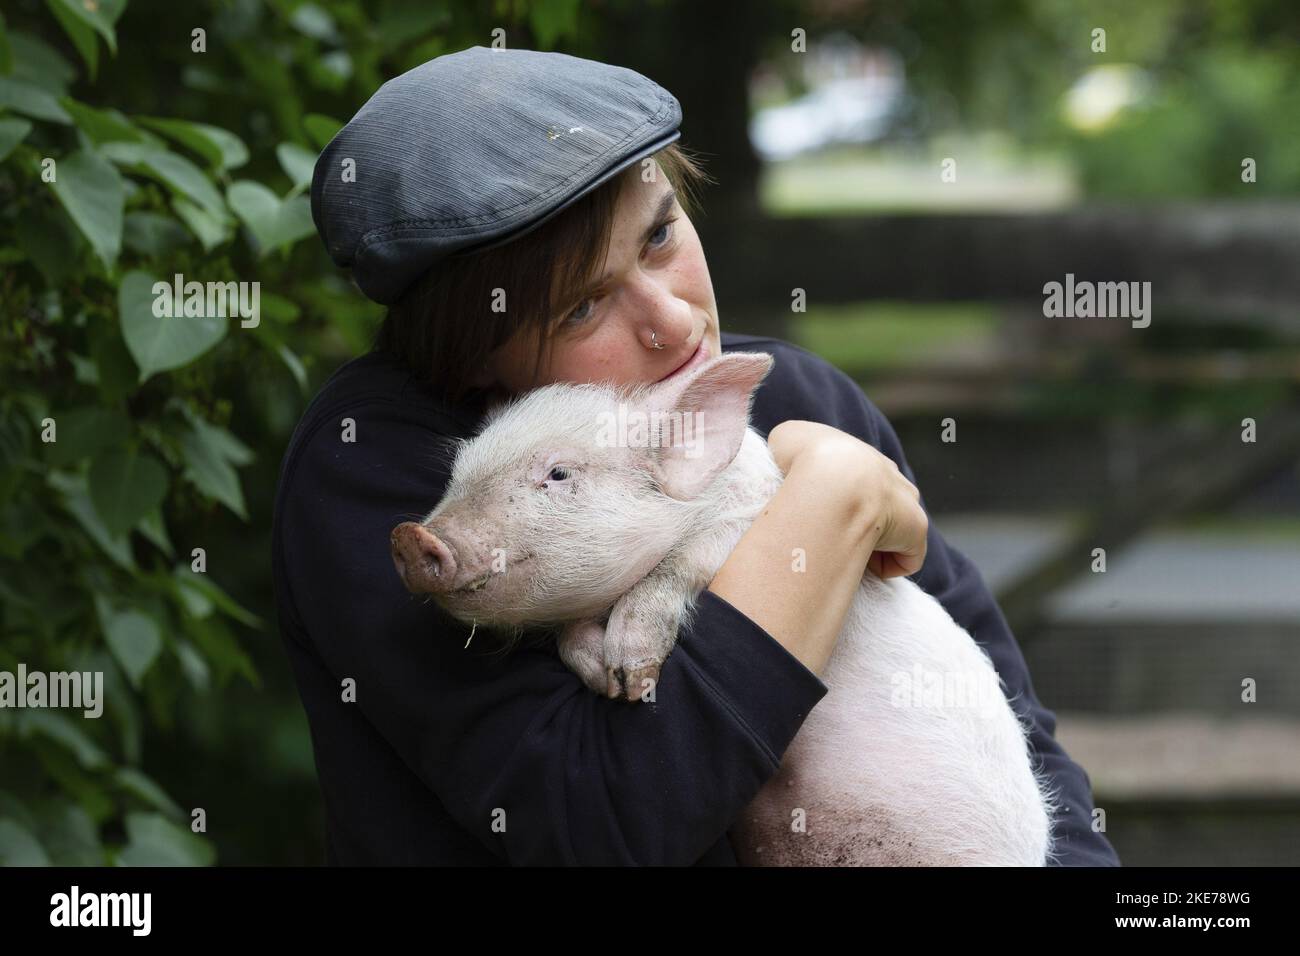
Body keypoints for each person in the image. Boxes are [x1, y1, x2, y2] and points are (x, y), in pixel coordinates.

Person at [273, 45, 1120, 866]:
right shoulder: (380, 472)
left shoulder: (796, 399)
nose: (673, 323)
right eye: (579, 309)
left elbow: (1016, 743)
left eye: (659, 238)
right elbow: (609, 821)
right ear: (468, 355)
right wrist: (826, 507)